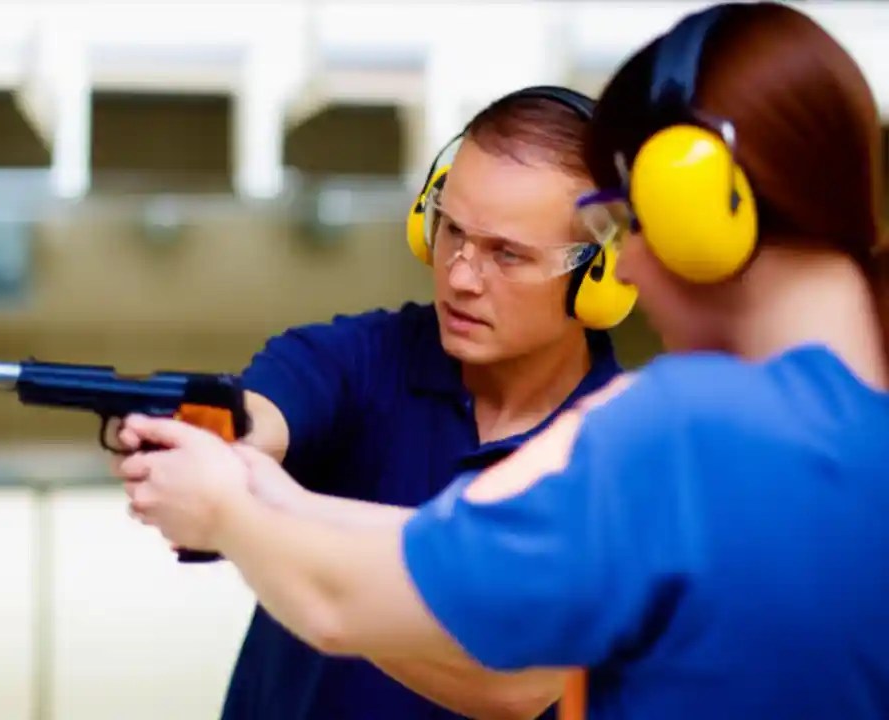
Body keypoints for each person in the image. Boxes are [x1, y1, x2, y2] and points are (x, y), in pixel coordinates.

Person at [116, 2, 889, 718]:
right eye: (452, 232)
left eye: (629, 220)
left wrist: (229, 508)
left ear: (698, 215)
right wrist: (249, 482)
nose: (628, 269)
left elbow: (484, 662)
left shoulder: (684, 429)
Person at [117, 86, 636, 720]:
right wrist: (213, 442)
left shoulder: (621, 453)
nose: (461, 276)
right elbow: (263, 417)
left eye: (508, 254)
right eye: (451, 229)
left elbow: (518, 685)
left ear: (600, 272)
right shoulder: (364, 359)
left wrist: (252, 522)